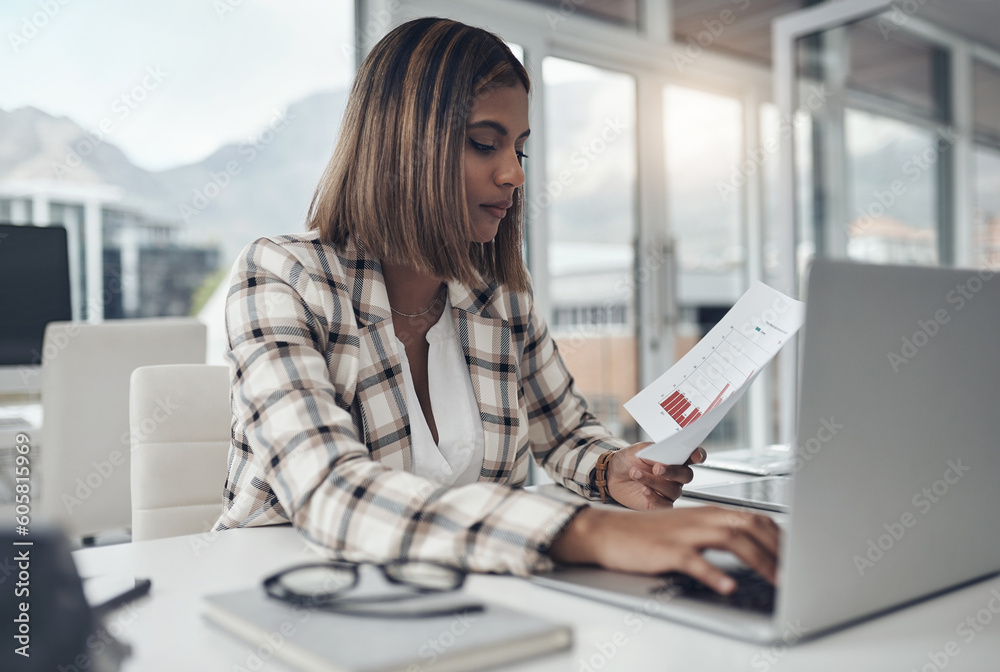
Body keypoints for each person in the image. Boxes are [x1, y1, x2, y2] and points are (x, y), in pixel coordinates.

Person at [214, 16, 778, 595]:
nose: (512, 174)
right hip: (287, 597)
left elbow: (563, 436)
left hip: (463, 595)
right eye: (484, 143)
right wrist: (591, 533)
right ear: (402, 147)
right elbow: (329, 492)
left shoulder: (498, 295)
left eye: (520, 150)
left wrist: (615, 470)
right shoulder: (280, 278)